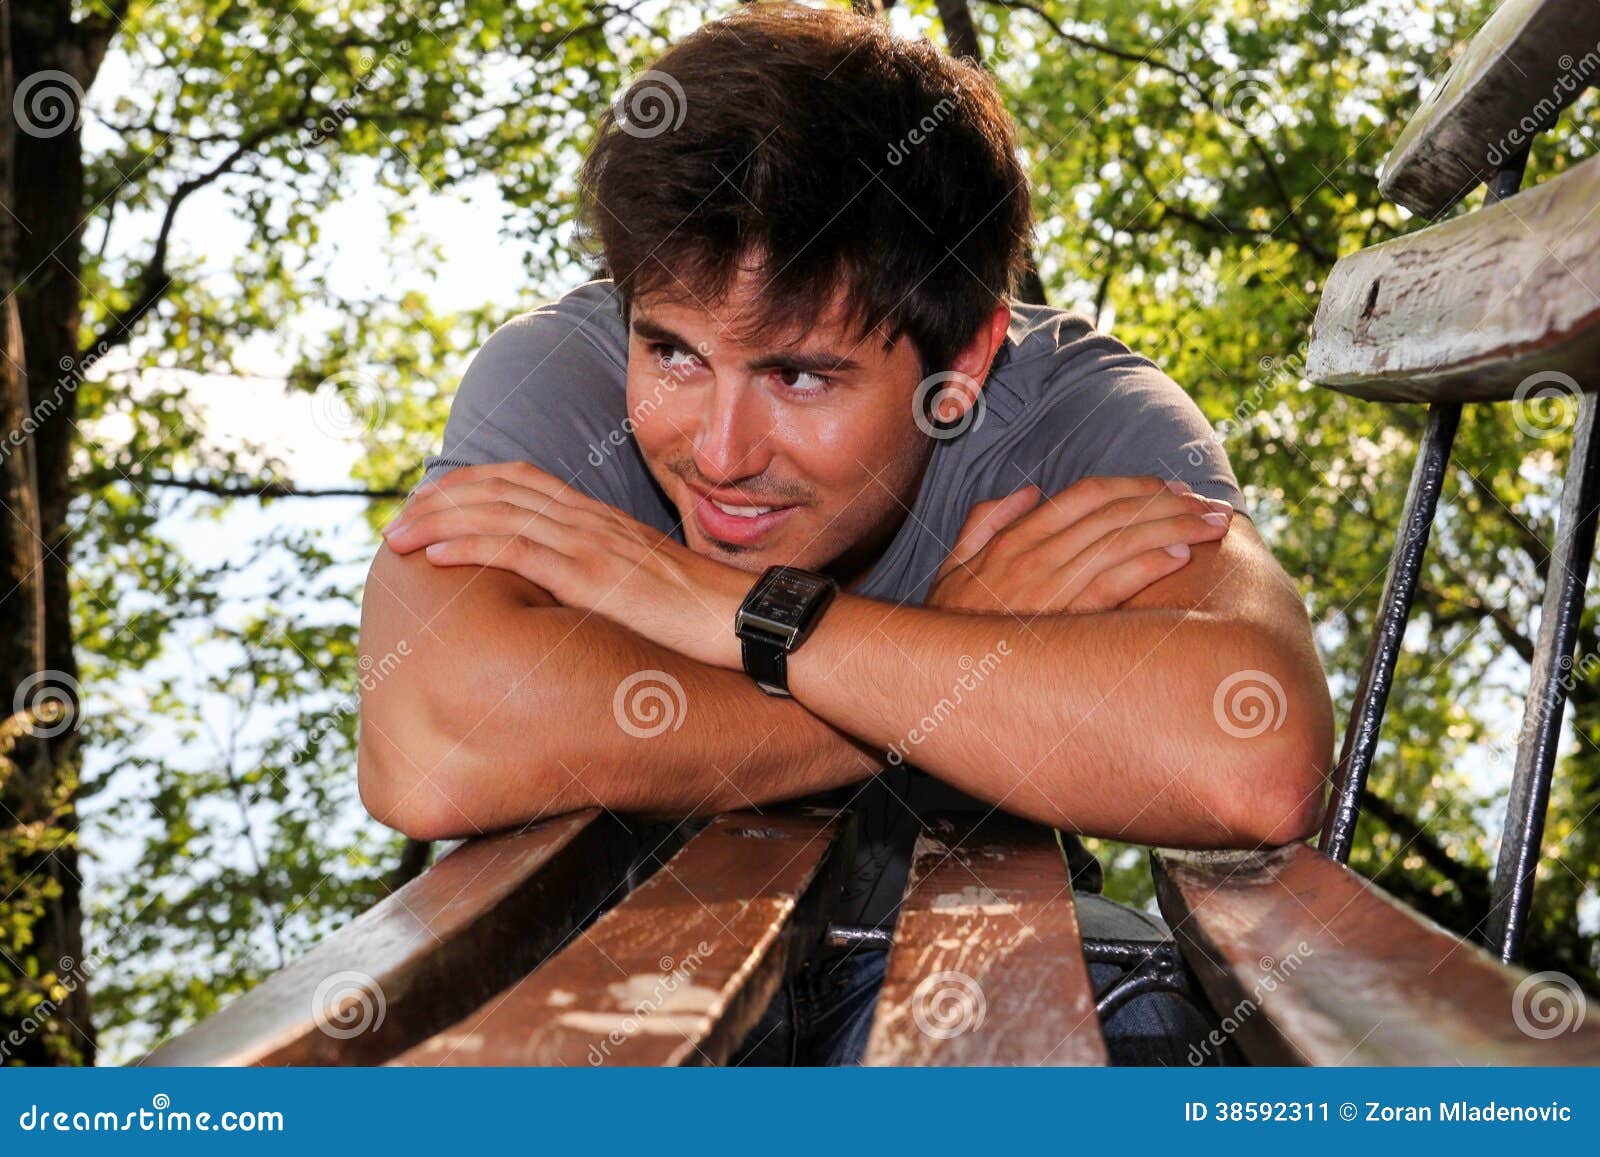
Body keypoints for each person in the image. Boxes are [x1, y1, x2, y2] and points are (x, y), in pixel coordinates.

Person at [358, 2, 1332, 1065]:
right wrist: (932, 646)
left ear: (961, 365)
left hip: (986, 969)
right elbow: (429, 745)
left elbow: (1248, 756)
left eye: (799, 375)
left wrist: (741, 615)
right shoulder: (563, 377)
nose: (720, 453)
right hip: (615, 986)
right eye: (675, 354)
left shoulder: (1073, 415)